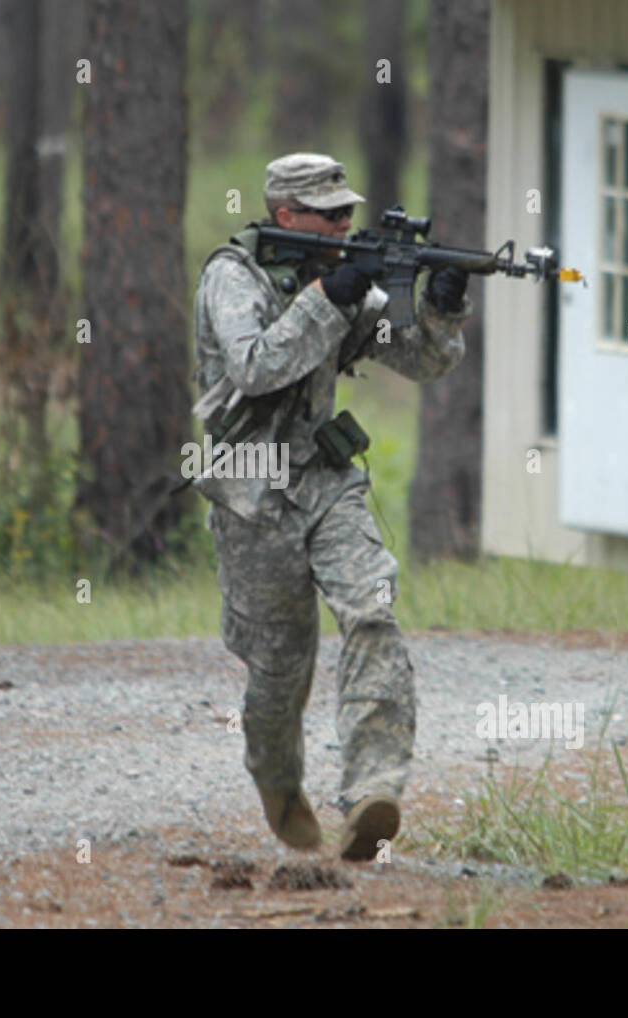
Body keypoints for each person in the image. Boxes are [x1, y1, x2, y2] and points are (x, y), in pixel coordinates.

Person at [192, 153, 471, 860]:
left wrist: (439, 307)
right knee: (280, 671)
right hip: (250, 490)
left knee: (372, 610)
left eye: (349, 212)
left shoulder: (342, 278)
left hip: (324, 479)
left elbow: (418, 359)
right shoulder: (233, 276)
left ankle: (372, 791)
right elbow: (253, 367)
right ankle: (280, 787)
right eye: (329, 214)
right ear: (287, 217)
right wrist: (330, 295)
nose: (345, 224)